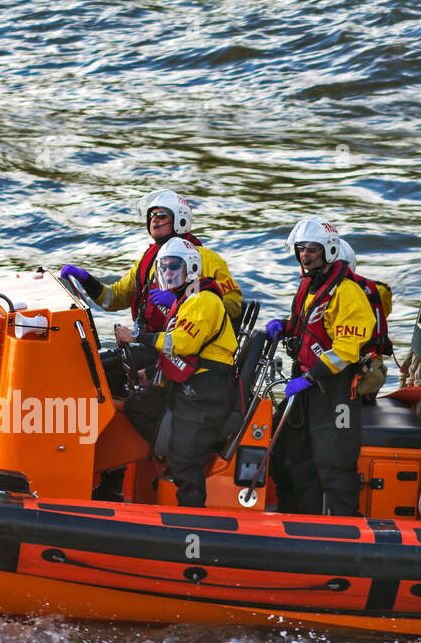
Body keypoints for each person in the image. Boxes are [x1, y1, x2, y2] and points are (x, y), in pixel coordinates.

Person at [61, 188, 242, 377]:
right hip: (147, 343)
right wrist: (86, 279)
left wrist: (182, 302)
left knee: (97, 370)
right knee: (86, 362)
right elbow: (112, 299)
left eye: (161, 215)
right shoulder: (147, 260)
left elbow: (234, 306)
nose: (154, 219)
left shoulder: (206, 259)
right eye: (151, 215)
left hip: (183, 352)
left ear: (180, 219)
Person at [112, 237, 238, 508]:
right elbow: (177, 352)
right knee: (137, 406)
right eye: (164, 267)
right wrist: (150, 371)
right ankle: (163, 451)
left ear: (190, 267)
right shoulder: (186, 300)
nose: (168, 273)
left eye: (174, 267)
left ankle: (191, 525)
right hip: (191, 386)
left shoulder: (203, 301)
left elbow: (180, 343)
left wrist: (136, 336)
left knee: (185, 460)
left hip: (207, 390)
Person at [265, 217, 375, 517]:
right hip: (306, 385)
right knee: (295, 458)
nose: (305, 255)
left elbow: (345, 350)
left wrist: (311, 377)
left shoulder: (346, 292)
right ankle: (302, 521)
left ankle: (344, 531)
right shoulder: (311, 287)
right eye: (301, 249)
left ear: (328, 251)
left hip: (334, 390)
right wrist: (285, 327)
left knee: (334, 464)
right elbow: (308, 329)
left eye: (312, 249)